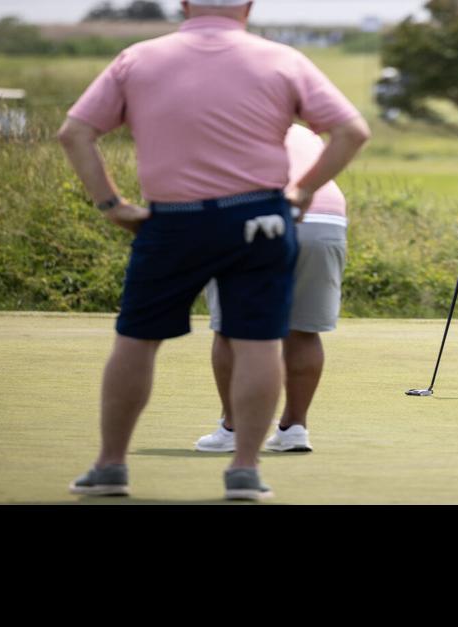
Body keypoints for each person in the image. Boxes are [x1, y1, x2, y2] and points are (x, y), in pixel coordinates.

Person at [59, 1, 369, 501]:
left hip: (173, 219)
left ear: (183, 3)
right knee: (257, 342)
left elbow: (75, 133)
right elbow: (352, 131)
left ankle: (111, 465)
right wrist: (303, 191)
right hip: (260, 217)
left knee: (136, 340)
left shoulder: (138, 57)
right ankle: (244, 470)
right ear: (247, 6)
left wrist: (112, 205)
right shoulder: (281, 59)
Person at [194, 123, 348, 455]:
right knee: (303, 330)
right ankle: (294, 429)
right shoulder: (303, 132)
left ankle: (233, 428)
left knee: (231, 330)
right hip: (326, 220)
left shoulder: (221, 125)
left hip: (256, 217)